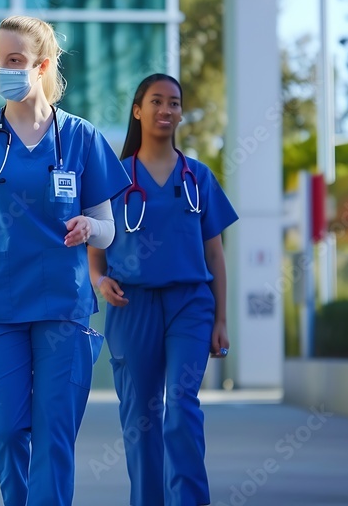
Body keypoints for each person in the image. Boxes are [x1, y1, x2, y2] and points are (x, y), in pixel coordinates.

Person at [0, 15, 131, 506]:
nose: (2, 70)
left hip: (61, 305)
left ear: (41, 67)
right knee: (3, 428)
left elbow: (108, 226)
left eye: (15, 61)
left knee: (54, 432)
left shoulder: (81, 138)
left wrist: (90, 229)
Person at [88, 73, 238, 506]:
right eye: (157, 101)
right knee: (141, 419)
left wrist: (221, 320)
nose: (166, 110)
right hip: (131, 307)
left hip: (190, 305)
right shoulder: (113, 178)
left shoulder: (199, 177)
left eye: (174, 103)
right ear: (138, 110)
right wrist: (100, 281)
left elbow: (216, 256)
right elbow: (97, 249)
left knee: (182, 412)